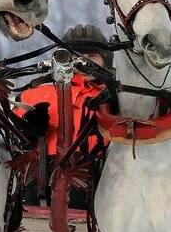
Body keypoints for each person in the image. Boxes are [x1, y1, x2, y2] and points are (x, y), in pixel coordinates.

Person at [15, 24, 112, 207]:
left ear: (106, 59)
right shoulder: (32, 95)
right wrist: (26, 131)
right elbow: (9, 144)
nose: (84, 62)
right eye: (76, 56)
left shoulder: (116, 99)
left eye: (92, 56)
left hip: (101, 187)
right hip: (38, 187)